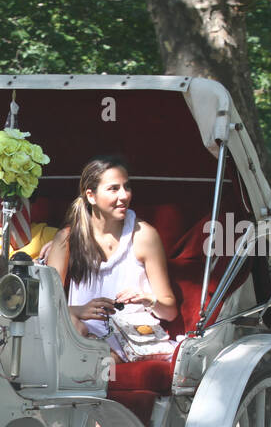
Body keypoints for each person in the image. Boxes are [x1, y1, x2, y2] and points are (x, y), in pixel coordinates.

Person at [44, 155, 177, 361]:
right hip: (77, 334)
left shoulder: (144, 236)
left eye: (127, 187)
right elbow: (44, 305)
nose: (124, 196)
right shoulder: (67, 239)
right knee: (71, 324)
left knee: (91, 356)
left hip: (128, 340)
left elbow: (169, 311)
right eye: (114, 189)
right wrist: (79, 310)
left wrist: (147, 299)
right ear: (91, 196)